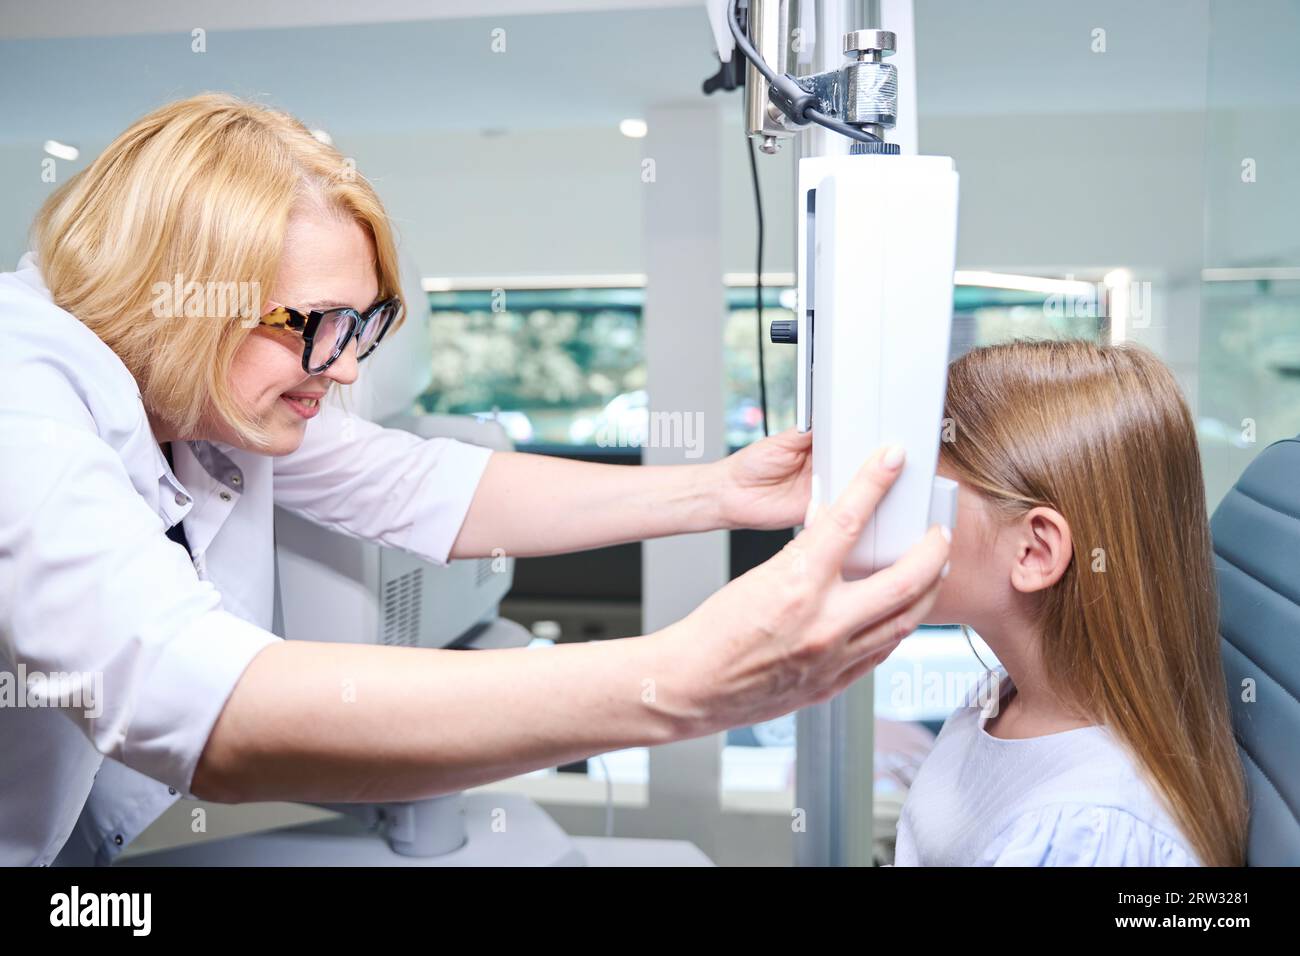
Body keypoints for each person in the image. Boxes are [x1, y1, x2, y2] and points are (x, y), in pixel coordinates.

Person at [0, 93, 949, 865]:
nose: (348, 371)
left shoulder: (209, 389)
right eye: (324, 326)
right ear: (178, 294)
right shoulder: (20, 396)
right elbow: (196, 704)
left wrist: (721, 492)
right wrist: (685, 681)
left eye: (363, 328)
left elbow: (419, 485)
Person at [893, 340, 1248, 867]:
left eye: (925, 494)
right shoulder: (1008, 694)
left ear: (1035, 550)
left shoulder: (1088, 833)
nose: (895, 521)